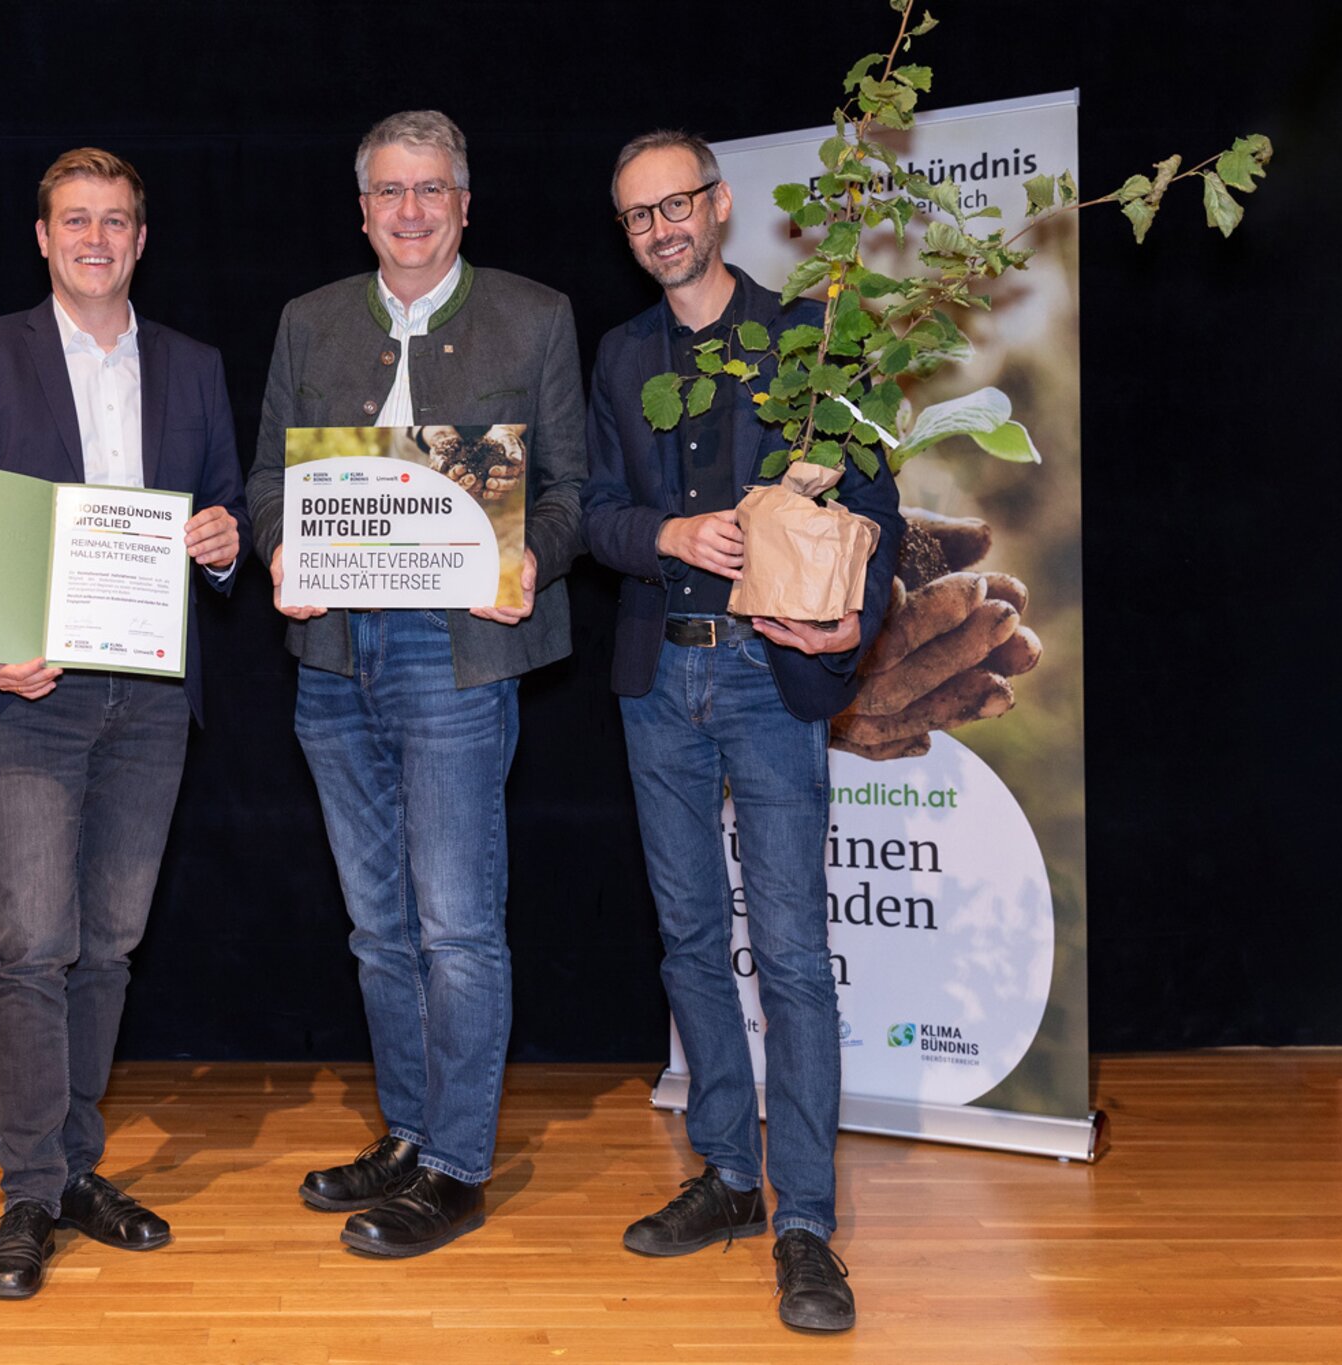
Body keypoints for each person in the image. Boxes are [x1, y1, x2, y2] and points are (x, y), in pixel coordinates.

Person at [247, 110, 585, 1258]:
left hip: (456, 655)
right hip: (335, 656)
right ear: (361, 208)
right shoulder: (308, 320)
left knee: (453, 925)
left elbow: (570, 492)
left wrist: (532, 553)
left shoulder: (535, 317)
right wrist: (278, 551)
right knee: (376, 928)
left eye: (429, 190)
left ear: (464, 202)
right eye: (388, 191)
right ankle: (405, 1129)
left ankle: (453, 1162)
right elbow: (262, 482)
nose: (408, 211)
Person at [581, 130, 902, 1333]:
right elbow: (591, 518)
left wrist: (850, 627)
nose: (660, 229)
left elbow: (873, 509)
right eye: (636, 217)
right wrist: (665, 537)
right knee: (682, 939)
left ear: (719, 205)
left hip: (772, 683)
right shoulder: (618, 359)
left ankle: (805, 1221)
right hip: (658, 677)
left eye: (676, 205)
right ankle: (725, 1177)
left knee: (790, 955)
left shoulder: (812, 343)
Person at [0, 147, 249, 1301]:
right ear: (43, 237)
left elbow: (224, 504)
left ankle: (73, 1170)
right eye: (75, 221)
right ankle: (24, 1195)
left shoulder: (195, 366)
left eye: (115, 221)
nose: (96, 238)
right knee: (32, 945)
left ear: (140, 240)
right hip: (29, 695)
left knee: (106, 944)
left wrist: (224, 542)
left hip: (150, 698)